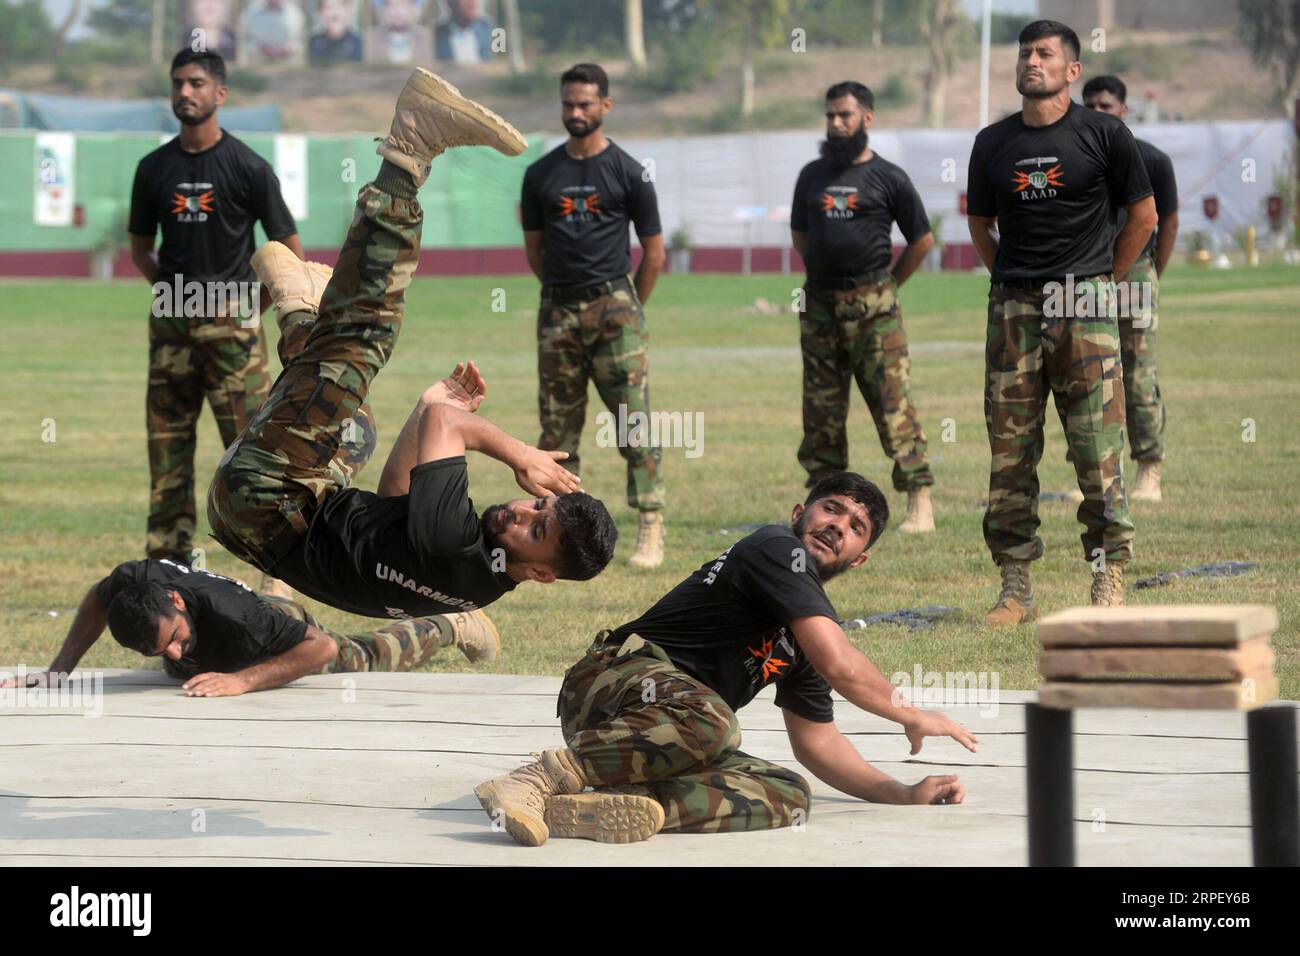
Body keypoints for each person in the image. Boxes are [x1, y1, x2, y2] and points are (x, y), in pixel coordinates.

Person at [205, 68, 619, 626]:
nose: (522, 510)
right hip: (263, 516)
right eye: (538, 506)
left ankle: (410, 145)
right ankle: (298, 300)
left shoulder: (458, 545)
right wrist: (427, 408)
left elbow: (452, 429)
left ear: (542, 573)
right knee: (355, 428)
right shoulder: (482, 575)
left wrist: (517, 452)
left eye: (537, 530)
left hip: (269, 497)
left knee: (364, 338)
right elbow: (395, 495)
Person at [474, 472, 977, 846]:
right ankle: (537, 778)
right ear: (801, 511)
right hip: (609, 686)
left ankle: (603, 807)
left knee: (788, 792)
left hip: (674, 733)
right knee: (714, 722)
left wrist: (902, 793)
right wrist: (910, 711)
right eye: (831, 509)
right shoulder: (775, 548)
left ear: (858, 557)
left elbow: (818, 742)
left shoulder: (808, 628)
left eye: (856, 526)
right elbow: (841, 663)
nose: (837, 526)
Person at [965, 20, 1156, 625]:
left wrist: (1100, 281)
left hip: (1087, 306)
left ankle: (1108, 577)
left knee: (1097, 450)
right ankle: (1015, 587)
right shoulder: (992, 142)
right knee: (1010, 451)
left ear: (1072, 70)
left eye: (1044, 53)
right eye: (1025, 52)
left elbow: (1143, 217)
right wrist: (1013, 280)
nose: (1031, 61)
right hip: (1015, 309)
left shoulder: (1105, 134)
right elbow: (980, 223)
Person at [128, 49, 303, 590]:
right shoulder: (153, 168)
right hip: (172, 333)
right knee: (168, 457)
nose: (186, 92)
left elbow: (288, 253)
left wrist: (247, 310)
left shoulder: (249, 167)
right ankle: (165, 578)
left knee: (250, 461)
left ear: (220, 94)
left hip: (234, 338)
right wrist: (174, 299)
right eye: (178, 83)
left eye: (197, 83)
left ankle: (274, 578)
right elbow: (140, 250)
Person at [521, 63, 668, 568]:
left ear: (606, 106)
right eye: (568, 104)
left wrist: (628, 308)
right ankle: (560, 523)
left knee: (633, 422)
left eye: (585, 104)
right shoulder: (540, 175)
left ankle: (650, 521)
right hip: (558, 308)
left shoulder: (629, 172)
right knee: (558, 429)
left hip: (616, 310)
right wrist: (563, 295)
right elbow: (535, 251)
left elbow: (654, 254)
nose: (575, 113)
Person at [0, 558, 500, 698]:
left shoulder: (236, 622)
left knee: (357, 657)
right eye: (159, 652)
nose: (173, 655)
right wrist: (58, 670)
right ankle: (275, 585)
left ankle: (452, 624)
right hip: (242, 614)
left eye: (174, 640)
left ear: (177, 601)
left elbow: (319, 648)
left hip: (271, 629)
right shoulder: (134, 584)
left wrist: (241, 680)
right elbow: (95, 599)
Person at [791, 80, 938, 534]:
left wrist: (889, 285)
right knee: (821, 415)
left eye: (845, 116)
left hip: (875, 312)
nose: (836, 124)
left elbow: (922, 240)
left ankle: (919, 500)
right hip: (819, 309)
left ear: (867, 119)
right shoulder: (811, 176)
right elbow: (801, 235)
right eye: (831, 116)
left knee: (892, 405)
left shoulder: (889, 176)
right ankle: (823, 505)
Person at [1078, 74, 1176, 503]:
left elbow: (1165, 220)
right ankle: (1092, 475)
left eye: (1106, 105)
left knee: (1136, 375)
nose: (1098, 113)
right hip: (1084, 276)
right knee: (1087, 377)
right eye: (1091, 106)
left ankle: (1149, 468)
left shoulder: (1151, 159)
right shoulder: (1073, 159)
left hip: (1134, 272)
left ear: (1124, 109)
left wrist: (1152, 271)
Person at [366, 0, 435, 65]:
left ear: (413, 8)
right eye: (392, 5)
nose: (398, 11)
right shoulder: (371, 37)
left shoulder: (427, 37)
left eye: (403, 5)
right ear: (385, 9)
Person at [242, 0, 307, 65]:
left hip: (288, 66)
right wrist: (260, 48)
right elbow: (244, 39)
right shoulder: (251, 11)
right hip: (257, 65)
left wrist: (291, 48)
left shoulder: (294, 12)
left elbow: (301, 39)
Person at [309, 0, 364, 64]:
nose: (334, 13)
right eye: (328, 7)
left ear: (348, 9)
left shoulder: (361, 45)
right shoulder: (312, 44)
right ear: (321, 12)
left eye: (339, 6)